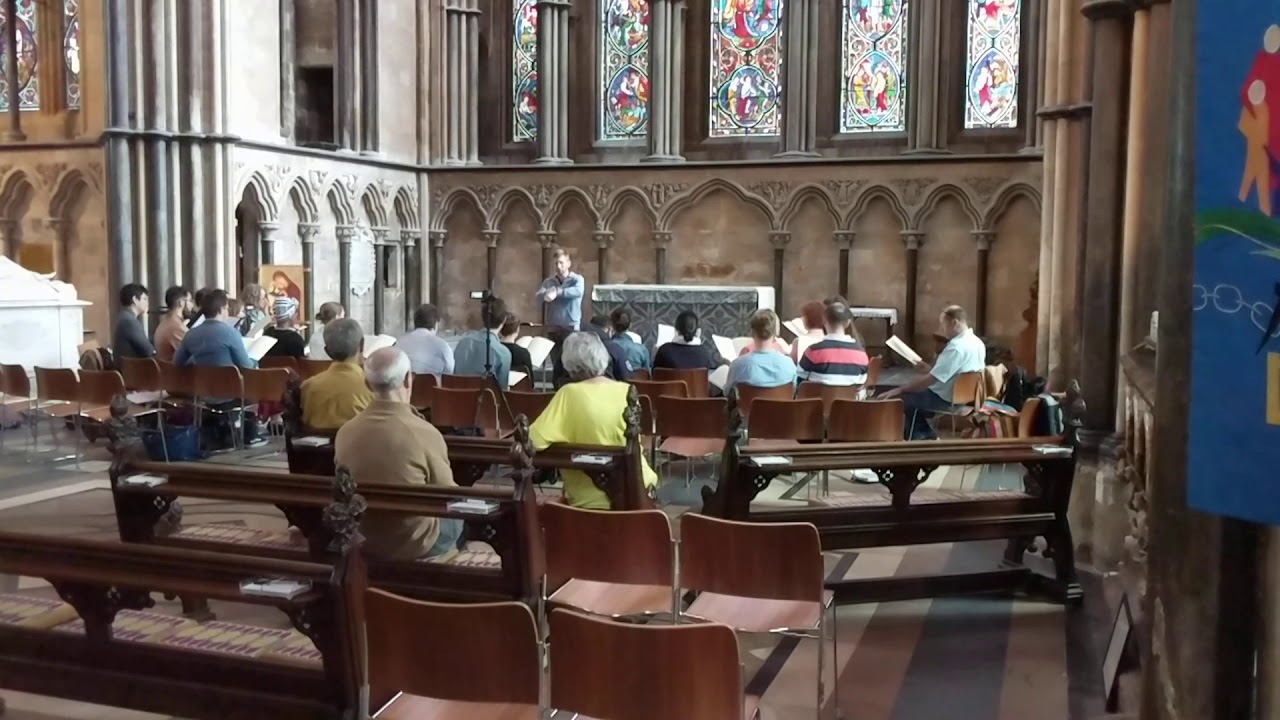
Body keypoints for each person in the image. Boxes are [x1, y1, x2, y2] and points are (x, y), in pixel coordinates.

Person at [334, 347, 462, 560]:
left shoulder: (345, 432)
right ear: (408, 381)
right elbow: (448, 494)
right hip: (415, 542)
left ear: (367, 384)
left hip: (361, 537)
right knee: (459, 517)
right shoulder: (425, 433)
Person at [530, 332, 658, 508]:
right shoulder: (627, 390)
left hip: (591, 502)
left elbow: (531, 441)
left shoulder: (569, 394)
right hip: (640, 490)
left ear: (568, 365)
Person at [881, 305, 987, 440]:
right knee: (913, 396)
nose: (942, 329)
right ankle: (926, 435)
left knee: (903, 400)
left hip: (945, 398)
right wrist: (928, 369)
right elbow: (953, 372)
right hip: (968, 395)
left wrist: (900, 389)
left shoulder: (956, 347)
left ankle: (921, 439)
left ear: (954, 323)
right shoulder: (977, 343)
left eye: (943, 325)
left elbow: (931, 380)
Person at [301, 318, 374, 430]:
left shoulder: (308, 386)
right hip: (357, 445)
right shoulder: (373, 386)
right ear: (362, 345)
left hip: (314, 447)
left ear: (327, 351)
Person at [174, 289, 258, 369]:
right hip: (229, 383)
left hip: (201, 383)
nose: (227, 312)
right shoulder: (231, 333)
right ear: (221, 310)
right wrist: (254, 361)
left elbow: (177, 362)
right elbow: (246, 366)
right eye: (227, 308)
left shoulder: (191, 334)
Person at [724, 309, 796, 395]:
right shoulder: (789, 364)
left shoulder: (738, 364)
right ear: (775, 332)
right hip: (781, 408)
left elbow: (726, 392)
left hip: (749, 408)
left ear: (752, 332)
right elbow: (794, 391)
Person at [797, 303, 869, 386]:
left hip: (817, 398)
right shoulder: (861, 354)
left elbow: (800, 380)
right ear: (848, 322)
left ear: (824, 320)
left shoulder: (813, 351)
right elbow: (861, 385)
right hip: (848, 398)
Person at [453, 296, 512, 389]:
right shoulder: (503, 353)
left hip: (457, 400)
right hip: (485, 402)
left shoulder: (463, 343)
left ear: (483, 317)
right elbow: (502, 391)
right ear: (504, 319)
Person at [653, 310, 723, 370]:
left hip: (668, 386)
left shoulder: (664, 350)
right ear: (696, 331)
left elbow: (654, 375)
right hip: (695, 386)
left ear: (676, 329)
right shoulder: (704, 352)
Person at [534, 248, 585, 330]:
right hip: (552, 324)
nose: (558, 266)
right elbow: (538, 297)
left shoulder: (577, 279)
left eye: (561, 263)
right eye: (556, 263)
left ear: (569, 264)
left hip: (571, 324)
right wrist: (547, 292)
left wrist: (558, 292)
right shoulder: (548, 281)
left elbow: (578, 292)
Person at [113, 283, 154, 360]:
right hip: (132, 370)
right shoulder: (129, 321)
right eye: (144, 299)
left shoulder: (124, 316)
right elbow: (148, 351)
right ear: (135, 299)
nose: (147, 303)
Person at [152, 285, 193, 362]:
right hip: (176, 373)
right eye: (190, 301)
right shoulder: (176, 327)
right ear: (181, 303)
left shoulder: (165, 322)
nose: (192, 305)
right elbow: (193, 352)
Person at [609, 308, 650, 372]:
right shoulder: (642, 350)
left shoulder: (604, 348)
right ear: (630, 325)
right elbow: (647, 375)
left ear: (611, 325)